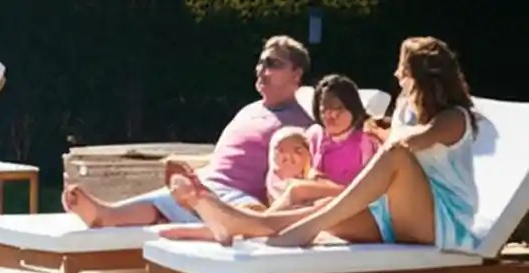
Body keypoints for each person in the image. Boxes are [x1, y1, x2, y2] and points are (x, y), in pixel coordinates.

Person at [159, 36, 477, 251]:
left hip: (440, 222)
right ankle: (235, 223)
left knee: (395, 157)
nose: (396, 74)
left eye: (403, 69)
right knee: (314, 211)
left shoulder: (454, 117)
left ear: (422, 76)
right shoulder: (407, 109)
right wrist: (380, 129)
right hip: (396, 213)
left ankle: (303, 228)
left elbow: (410, 144)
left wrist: (380, 132)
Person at [62, 35, 314, 228]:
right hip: (206, 183)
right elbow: (224, 158)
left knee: (226, 207)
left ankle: (199, 207)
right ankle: (106, 215)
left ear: (296, 74)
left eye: (273, 64)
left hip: (239, 198)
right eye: (260, 62)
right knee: (162, 202)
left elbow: (296, 177)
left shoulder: (300, 123)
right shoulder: (250, 110)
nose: (261, 70)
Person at [269, 74, 381, 211]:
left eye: (338, 108)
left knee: (298, 190)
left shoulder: (366, 141)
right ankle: (266, 220)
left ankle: (264, 220)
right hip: (316, 201)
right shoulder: (315, 135)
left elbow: (372, 187)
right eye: (324, 109)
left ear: (352, 109)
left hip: (353, 201)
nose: (331, 114)